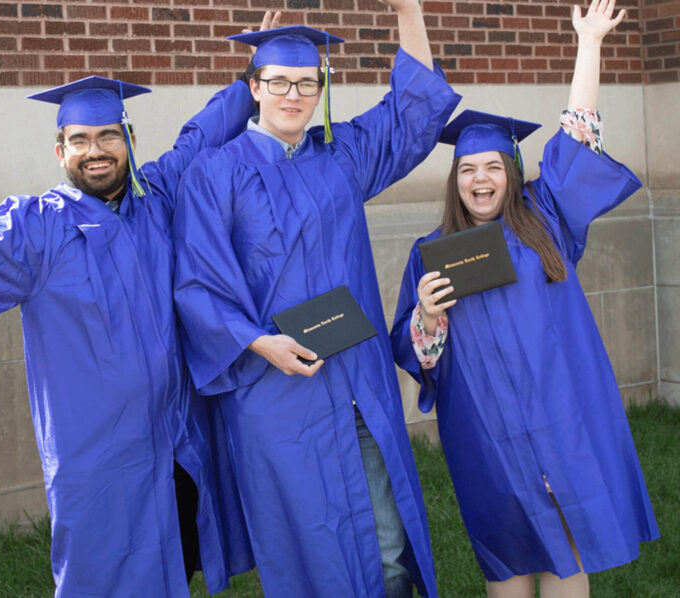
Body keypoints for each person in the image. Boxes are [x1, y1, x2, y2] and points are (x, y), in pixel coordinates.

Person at [0, 12, 284, 595]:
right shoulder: (35, 232)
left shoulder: (157, 200)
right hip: (101, 468)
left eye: (109, 135)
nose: (96, 151)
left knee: (175, 571)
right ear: (59, 150)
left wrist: (254, 74)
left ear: (130, 142)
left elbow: (202, 135)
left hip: (175, 447)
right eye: (80, 140)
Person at [172, 1, 461, 596]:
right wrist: (258, 343)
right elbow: (198, 282)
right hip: (276, 397)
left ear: (321, 86)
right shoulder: (215, 172)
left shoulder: (342, 155)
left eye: (307, 81)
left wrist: (409, 9)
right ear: (253, 87)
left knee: (389, 551)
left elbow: (413, 112)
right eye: (277, 81)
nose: (293, 94)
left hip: (359, 388)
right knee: (308, 555)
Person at [390, 1, 660, 596]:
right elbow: (419, 357)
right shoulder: (429, 253)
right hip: (486, 434)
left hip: (561, 419)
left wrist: (588, 43)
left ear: (512, 172)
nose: (480, 179)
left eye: (493, 166)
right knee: (508, 562)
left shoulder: (547, 218)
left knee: (568, 553)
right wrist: (426, 318)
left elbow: (578, 132)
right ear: (454, 179)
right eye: (467, 169)